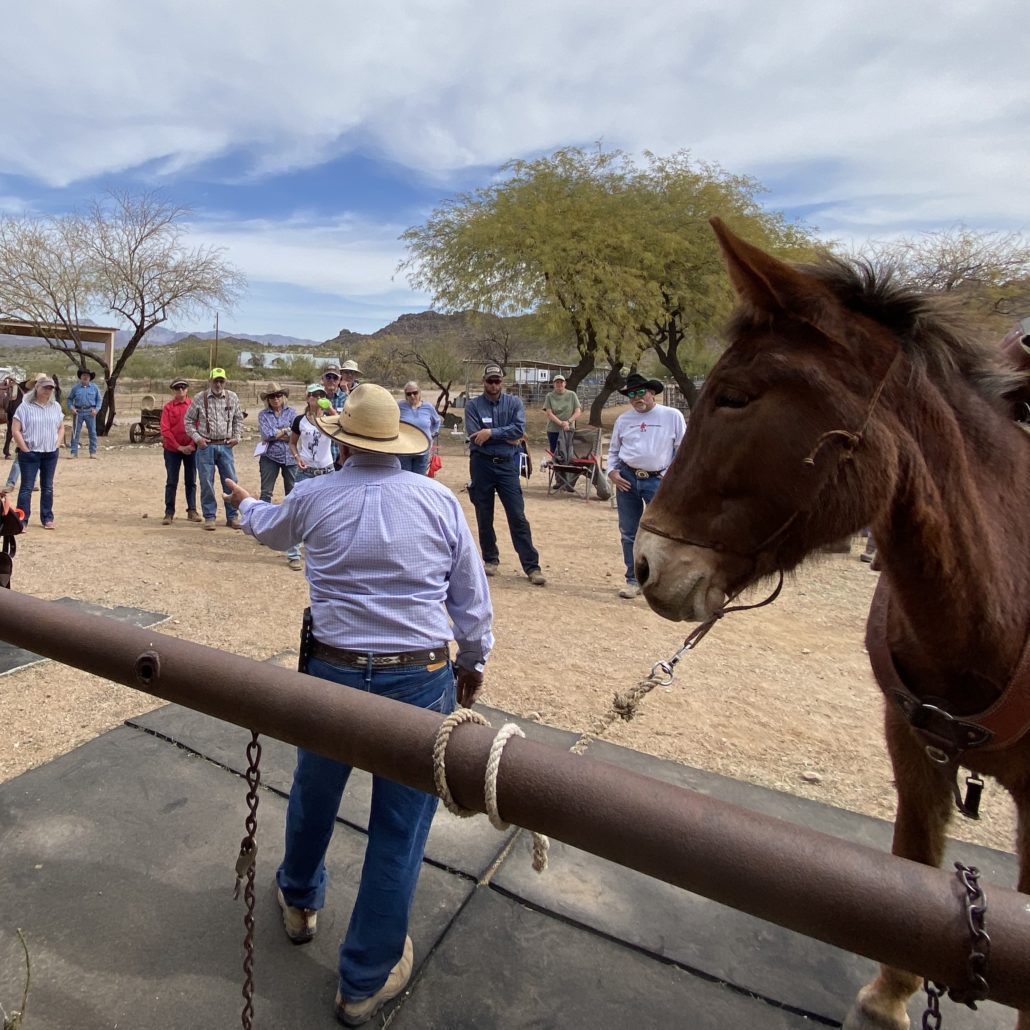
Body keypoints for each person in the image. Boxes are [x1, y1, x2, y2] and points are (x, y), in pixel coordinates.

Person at [222, 383, 492, 1027]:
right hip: (419, 676)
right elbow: (471, 603)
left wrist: (242, 504)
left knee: (315, 788)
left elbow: (266, 527)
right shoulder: (437, 501)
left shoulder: (315, 493)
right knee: (399, 825)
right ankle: (364, 978)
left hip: (332, 671)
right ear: (400, 444)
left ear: (342, 442)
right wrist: (472, 664)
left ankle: (299, 899)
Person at [464, 364, 546, 585]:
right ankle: (490, 559)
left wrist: (490, 432)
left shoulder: (514, 403)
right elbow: (473, 435)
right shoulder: (472, 406)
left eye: (497, 381)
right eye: (490, 381)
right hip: (481, 465)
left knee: (517, 515)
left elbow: (519, 431)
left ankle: (532, 566)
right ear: (484, 381)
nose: (493, 384)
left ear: (503, 382)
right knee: (484, 514)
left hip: (507, 466)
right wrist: (505, 435)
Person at [607, 372, 687, 598]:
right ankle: (633, 580)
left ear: (652, 393)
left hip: (658, 481)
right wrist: (612, 472)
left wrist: (670, 478)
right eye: (631, 394)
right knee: (628, 532)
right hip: (627, 479)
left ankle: (663, 581)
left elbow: (682, 451)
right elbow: (614, 450)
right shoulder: (624, 420)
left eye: (640, 392)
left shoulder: (672, 416)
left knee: (665, 531)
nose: (636, 398)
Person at [184, 367, 245, 531]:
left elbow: (238, 419)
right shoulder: (199, 398)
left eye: (221, 381)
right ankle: (209, 517)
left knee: (231, 482)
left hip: (225, 446)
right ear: (210, 381)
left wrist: (237, 436)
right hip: (206, 447)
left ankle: (232, 517)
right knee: (206, 482)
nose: (218, 384)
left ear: (225, 381)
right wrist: (197, 439)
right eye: (216, 380)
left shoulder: (232, 397)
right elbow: (188, 421)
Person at [256, 382, 301, 570]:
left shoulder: (293, 413)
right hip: (270, 457)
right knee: (266, 492)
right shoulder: (262, 415)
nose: (275, 399)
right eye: (272, 397)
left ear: (283, 396)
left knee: (292, 494)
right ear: (267, 399)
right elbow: (267, 434)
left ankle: (291, 531)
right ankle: (263, 529)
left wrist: (280, 433)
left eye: (278, 395)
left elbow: (295, 433)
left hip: (290, 457)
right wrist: (285, 432)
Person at [12, 374, 65, 529]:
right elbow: (16, 430)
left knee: (48, 486)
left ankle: (47, 518)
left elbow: (61, 427)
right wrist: (25, 448)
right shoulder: (24, 407)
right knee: (27, 487)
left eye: (50, 388)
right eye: (45, 387)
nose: (47, 391)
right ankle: (22, 520)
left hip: (50, 453)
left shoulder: (55, 407)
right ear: (37, 387)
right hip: (30, 453)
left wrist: (57, 444)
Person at [159, 378, 201, 525]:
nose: (181, 390)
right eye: (177, 388)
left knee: (191, 480)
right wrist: (179, 447)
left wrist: (191, 444)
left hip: (191, 448)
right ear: (174, 391)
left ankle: (192, 510)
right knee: (171, 481)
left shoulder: (194, 406)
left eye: (183, 387)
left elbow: (198, 425)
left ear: (187, 389)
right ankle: (169, 512)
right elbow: (165, 430)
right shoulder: (168, 408)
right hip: (172, 450)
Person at [290, 384, 337, 482]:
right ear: (308, 398)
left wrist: (330, 408)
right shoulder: (299, 420)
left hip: (327, 471)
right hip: (305, 471)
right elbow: (292, 443)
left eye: (321, 395)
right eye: (315, 394)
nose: (318, 397)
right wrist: (297, 458)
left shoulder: (329, 419)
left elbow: (340, 422)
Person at [397, 382, 441, 475]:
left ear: (419, 393)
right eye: (409, 394)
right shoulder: (399, 406)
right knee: (405, 478)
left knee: (419, 478)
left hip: (423, 450)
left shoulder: (428, 407)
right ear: (405, 395)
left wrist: (433, 433)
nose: (412, 396)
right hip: (405, 450)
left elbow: (437, 421)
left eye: (415, 393)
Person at [65, 367, 102, 459]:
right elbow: (69, 399)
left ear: (90, 377)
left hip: (90, 412)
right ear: (80, 377)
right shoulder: (75, 388)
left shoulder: (95, 388)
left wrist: (96, 410)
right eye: (83, 375)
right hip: (78, 412)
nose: (85, 377)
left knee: (92, 432)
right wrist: (71, 408)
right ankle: (74, 453)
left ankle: (93, 453)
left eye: (87, 376)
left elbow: (99, 400)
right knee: (75, 433)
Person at [542, 373, 581, 454]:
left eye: (561, 382)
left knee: (568, 452)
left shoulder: (572, 395)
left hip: (569, 429)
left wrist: (568, 422)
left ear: (565, 383)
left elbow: (578, 411)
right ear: (554, 384)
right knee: (555, 452)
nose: (559, 384)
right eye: (557, 382)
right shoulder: (549, 396)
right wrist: (561, 423)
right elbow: (549, 413)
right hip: (553, 429)